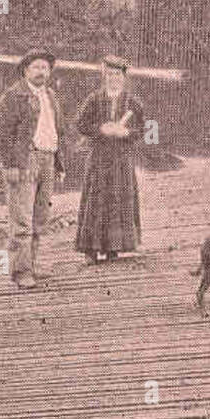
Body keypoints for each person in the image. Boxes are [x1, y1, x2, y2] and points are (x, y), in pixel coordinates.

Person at [0, 48, 66, 289]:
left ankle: (32, 265)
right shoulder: (13, 96)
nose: (41, 72)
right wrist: (10, 165)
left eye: (45, 68)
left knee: (40, 218)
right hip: (25, 160)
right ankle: (21, 271)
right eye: (36, 67)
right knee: (21, 219)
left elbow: (57, 132)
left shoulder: (51, 96)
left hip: (47, 158)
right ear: (25, 70)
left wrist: (59, 164)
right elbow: (3, 136)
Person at [75, 54, 146, 264]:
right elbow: (81, 124)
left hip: (122, 159)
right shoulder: (94, 99)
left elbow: (144, 130)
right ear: (104, 76)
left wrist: (127, 134)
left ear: (124, 77)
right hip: (99, 158)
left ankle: (114, 248)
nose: (114, 78)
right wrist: (101, 129)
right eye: (110, 74)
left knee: (119, 200)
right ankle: (91, 250)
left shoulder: (133, 102)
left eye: (117, 74)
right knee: (96, 201)